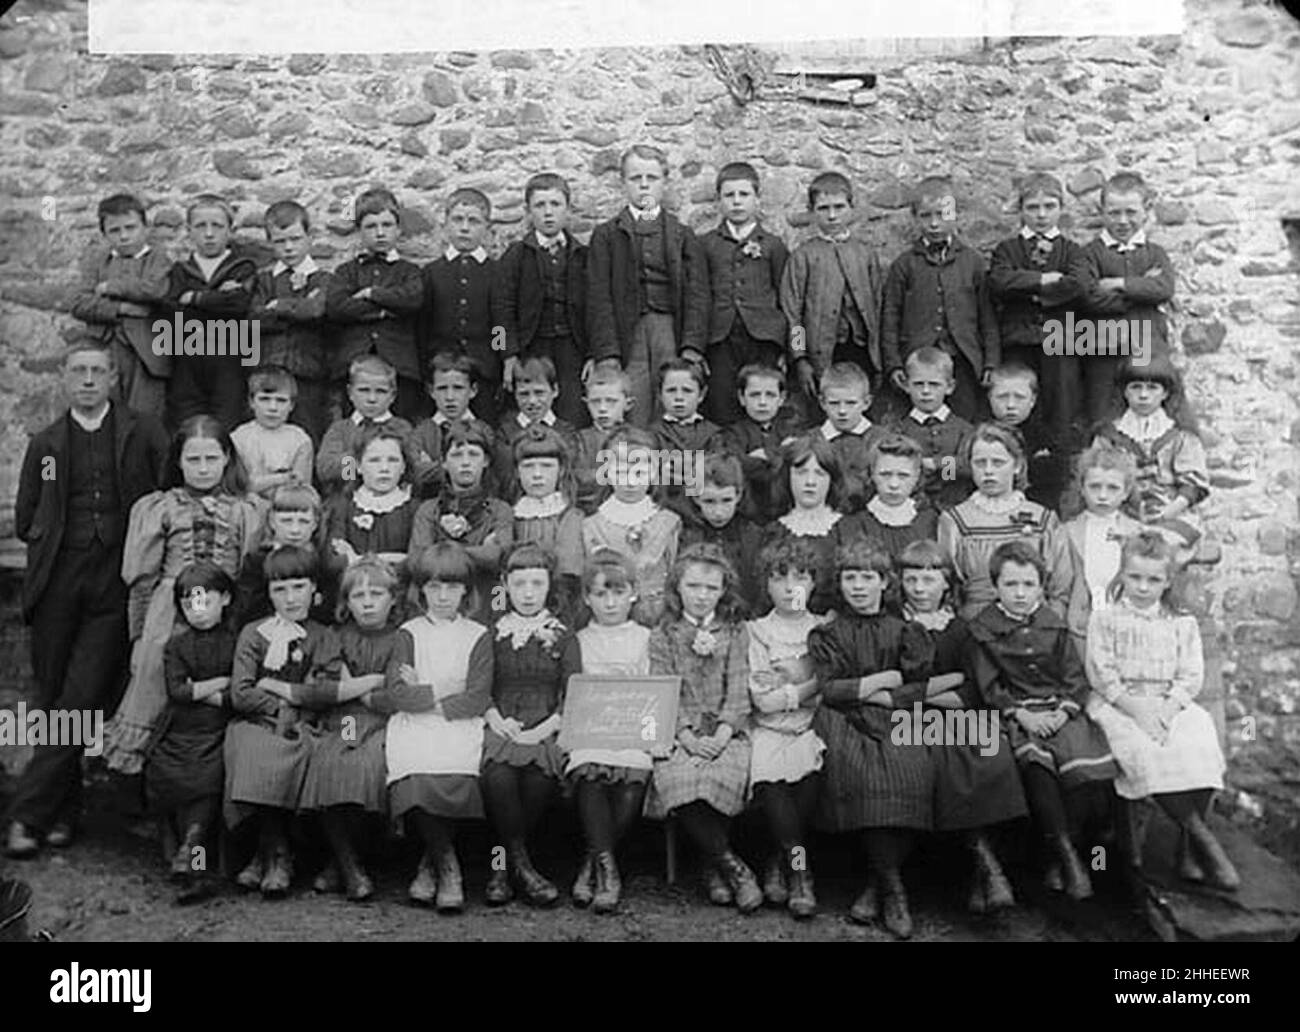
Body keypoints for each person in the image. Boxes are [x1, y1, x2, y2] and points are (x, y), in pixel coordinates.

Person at [5, 343, 168, 858]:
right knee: (54, 695)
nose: (89, 380)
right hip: (58, 580)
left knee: (79, 697)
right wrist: (51, 543)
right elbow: (29, 510)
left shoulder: (143, 432)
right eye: (79, 371)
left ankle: (27, 816)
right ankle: (63, 812)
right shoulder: (47, 443)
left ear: (115, 380)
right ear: (63, 379)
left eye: (99, 372)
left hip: (113, 581)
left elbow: (164, 488)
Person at [102, 415, 262, 777]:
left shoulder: (245, 510)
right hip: (167, 612)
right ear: (178, 461)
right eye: (193, 459)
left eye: (211, 458)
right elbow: (142, 579)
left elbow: (248, 574)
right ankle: (151, 794)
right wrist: (140, 639)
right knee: (155, 680)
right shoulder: (158, 507)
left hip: (225, 613)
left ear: (226, 459)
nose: (203, 468)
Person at [1085, 532, 1237, 890]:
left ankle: (1185, 850)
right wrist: (1138, 711)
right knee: (1147, 751)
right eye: (1135, 577)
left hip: (1168, 703)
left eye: (1154, 580)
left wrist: (1167, 710)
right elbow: (1101, 674)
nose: (1143, 587)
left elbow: (1190, 675)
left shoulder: (1181, 622)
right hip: (1119, 704)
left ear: (1168, 581)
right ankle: (1204, 841)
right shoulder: (1104, 618)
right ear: (1122, 574)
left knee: (1199, 741)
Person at [969, 540, 1118, 901]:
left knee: (1085, 769)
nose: (1020, 594)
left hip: (1057, 711)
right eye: (1010, 585)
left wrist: (1062, 711)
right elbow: (987, 684)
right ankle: (1065, 854)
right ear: (996, 586)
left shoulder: (1054, 625)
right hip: (1017, 715)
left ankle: (1067, 854)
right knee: (1037, 764)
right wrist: (1021, 715)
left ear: (1041, 586)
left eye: (1028, 585)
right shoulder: (981, 629)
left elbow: (1074, 679)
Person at [807, 540, 935, 938]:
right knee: (859, 772)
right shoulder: (828, 632)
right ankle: (893, 888)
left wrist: (889, 695)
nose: (858, 587)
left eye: (868, 577)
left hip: (897, 716)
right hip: (844, 718)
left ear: (884, 582)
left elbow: (918, 684)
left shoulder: (905, 631)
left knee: (910, 769)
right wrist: (879, 681)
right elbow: (830, 689)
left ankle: (877, 885)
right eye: (850, 578)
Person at [897, 539, 1026, 913]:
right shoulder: (894, 625)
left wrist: (924, 693)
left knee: (991, 751)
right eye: (911, 580)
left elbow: (973, 689)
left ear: (946, 584)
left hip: (959, 712)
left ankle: (982, 871)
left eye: (929, 580)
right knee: (944, 757)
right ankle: (984, 864)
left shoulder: (961, 629)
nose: (921, 589)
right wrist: (929, 691)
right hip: (906, 719)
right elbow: (894, 688)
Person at [376, 542, 493, 912]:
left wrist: (425, 690)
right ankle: (448, 863)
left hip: (460, 723)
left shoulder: (477, 634)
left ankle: (431, 864)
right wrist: (444, 690)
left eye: (452, 588)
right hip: (414, 724)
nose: (443, 597)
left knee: (454, 768)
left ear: (465, 591)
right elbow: (396, 694)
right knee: (415, 768)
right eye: (434, 587)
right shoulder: (408, 633)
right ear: (420, 589)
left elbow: (476, 698)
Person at [648, 543, 761, 912]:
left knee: (719, 777)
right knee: (682, 782)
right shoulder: (664, 633)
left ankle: (711, 867)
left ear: (723, 590)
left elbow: (740, 689)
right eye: (693, 586)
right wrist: (685, 736)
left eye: (711, 589)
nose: (701, 596)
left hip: (727, 733)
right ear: (677, 587)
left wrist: (724, 733)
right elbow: (663, 689)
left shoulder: (735, 631)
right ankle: (732, 867)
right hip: (679, 733)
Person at [225, 545, 341, 898]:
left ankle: (270, 856)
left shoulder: (324, 635)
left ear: (314, 589)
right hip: (257, 722)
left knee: (298, 750)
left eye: (299, 587)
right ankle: (276, 853)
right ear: (269, 593)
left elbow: (323, 691)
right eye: (280, 590)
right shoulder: (254, 633)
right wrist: (285, 703)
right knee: (251, 746)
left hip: (306, 725)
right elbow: (241, 694)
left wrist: (281, 691)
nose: (290, 599)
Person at [299, 557, 405, 902]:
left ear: (393, 599)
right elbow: (321, 691)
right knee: (338, 756)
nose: (369, 602)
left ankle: (341, 861)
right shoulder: (335, 635)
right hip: (345, 720)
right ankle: (349, 866)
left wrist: (355, 684)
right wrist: (368, 683)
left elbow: (395, 696)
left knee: (370, 762)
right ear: (346, 603)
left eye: (377, 594)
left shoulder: (401, 638)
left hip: (387, 723)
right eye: (359, 596)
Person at [481, 544, 580, 907]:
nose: (527, 593)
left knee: (539, 778)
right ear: (504, 585)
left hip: (545, 726)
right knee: (499, 776)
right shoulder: (492, 631)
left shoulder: (563, 634)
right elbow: (479, 685)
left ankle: (502, 866)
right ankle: (518, 866)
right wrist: (493, 717)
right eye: (519, 583)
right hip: (501, 723)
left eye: (536, 584)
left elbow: (573, 689)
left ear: (548, 586)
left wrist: (549, 726)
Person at [586, 144, 709, 425]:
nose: (644, 186)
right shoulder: (606, 235)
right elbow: (598, 297)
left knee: (671, 397)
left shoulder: (681, 234)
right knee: (634, 401)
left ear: (664, 183)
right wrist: (606, 351)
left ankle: (669, 461)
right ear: (623, 183)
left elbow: (698, 295)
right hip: (627, 331)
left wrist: (692, 346)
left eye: (651, 179)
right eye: (635, 178)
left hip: (669, 327)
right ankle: (635, 462)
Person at [745, 540, 829, 919]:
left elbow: (832, 688)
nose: (790, 586)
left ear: (813, 584)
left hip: (814, 726)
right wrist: (811, 688)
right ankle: (800, 869)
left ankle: (784, 860)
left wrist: (791, 690)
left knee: (812, 773)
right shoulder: (757, 632)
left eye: (801, 577)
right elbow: (763, 701)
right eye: (779, 578)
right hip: (768, 728)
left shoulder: (824, 629)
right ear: (766, 585)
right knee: (771, 778)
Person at [566, 550, 654, 912]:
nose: (610, 602)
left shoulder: (647, 637)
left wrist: (649, 736)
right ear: (587, 597)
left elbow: (655, 693)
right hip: (591, 728)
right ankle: (608, 869)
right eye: (600, 594)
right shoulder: (579, 639)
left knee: (634, 776)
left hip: (633, 728)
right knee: (589, 770)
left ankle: (593, 862)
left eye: (618, 593)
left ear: (633, 593)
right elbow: (572, 691)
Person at [148, 561, 237, 903]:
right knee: (164, 775)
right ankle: (183, 853)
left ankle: (193, 857)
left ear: (225, 598)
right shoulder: (177, 645)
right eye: (188, 604)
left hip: (215, 731)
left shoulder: (235, 641)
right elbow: (177, 692)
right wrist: (217, 685)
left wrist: (201, 690)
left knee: (206, 787)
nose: (196, 611)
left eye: (204, 601)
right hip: (179, 729)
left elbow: (238, 694)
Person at [883, 176, 999, 422]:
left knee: (963, 423)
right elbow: (890, 317)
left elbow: (987, 317)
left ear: (956, 216)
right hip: (919, 363)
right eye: (926, 216)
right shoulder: (904, 265)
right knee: (918, 424)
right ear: (915, 218)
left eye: (942, 215)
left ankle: (952, 464)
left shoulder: (972, 262)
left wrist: (990, 362)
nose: (934, 223)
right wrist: (894, 364)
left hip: (963, 362)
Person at [937, 423, 1075, 621]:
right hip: (976, 625)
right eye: (980, 463)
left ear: (1017, 465)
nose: (988, 471)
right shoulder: (955, 520)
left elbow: (1060, 588)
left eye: (998, 462)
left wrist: (1048, 625)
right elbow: (948, 584)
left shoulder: (1043, 519)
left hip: (1033, 626)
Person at [779, 171, 886, 423]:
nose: (832, 215)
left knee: (861, 418)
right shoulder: (803, 256)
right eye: (823, 208)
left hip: (861, 351)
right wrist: (801, 358)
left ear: (852, 208)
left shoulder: (865, 254)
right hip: (822, 354)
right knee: (825, 419)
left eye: (839, 207)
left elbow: (879, 307)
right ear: (812, 211)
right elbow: (792, 314)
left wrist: (880, 359)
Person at [988, 173, 1086, 444]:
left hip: (1059, 338)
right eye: (1032, 207)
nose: (1041, 215)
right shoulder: (1007, 250)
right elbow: (999, 281)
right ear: (1021, 210)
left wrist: (1031, 293)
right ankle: (1014, 467)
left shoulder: (1072, 251)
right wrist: (1043, 280)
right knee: (1015, 405)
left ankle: (1055, 471)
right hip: (1017, 338)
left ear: (1061, 209)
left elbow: (1078, 284)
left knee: (1059, 407)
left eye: (1049, 207)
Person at [1077, 171, 1176, 424]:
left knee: (1148, 419)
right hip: (1104, 353)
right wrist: (1142, 289)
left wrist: (1117, 284)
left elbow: (1163, 289)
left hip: (1148, 349)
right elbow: (1089, 298)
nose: (1122, 221)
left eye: (1131, 212)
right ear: (1102, 212)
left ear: (1146, 210)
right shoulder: (1089, 254)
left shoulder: (1155, 254)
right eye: (1114, 213)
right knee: (1104, 420)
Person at [492, 172, 589, 426]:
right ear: (528, 211)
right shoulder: (515, 256)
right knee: (532, 411)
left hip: (572, 349)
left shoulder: (581, 255)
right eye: (540, 205)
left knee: (572, 412)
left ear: (568, 209)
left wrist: (595, 354)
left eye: (555, 204)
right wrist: (506, 355)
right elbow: (499, 314)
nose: (548, 212)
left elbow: (595, 308)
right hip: (531, 347)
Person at [1090, 355, 1209, 563]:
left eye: (1152, 388)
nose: (1143, 395)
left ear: (1165, 393)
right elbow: (1096, 475)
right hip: (1123, 513)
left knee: (1162, 547)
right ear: (1125, 391)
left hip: (1171, 515)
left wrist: (1169, 511)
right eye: (1136, 387)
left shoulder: (1180, 436)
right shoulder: (1109, 436)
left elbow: (1193, 486)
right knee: (1110, 540)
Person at [697, 161, 789, 424]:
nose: (737, 202)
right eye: (729, 195)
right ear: (719, 201)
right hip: (720, 341)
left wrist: (794, 350)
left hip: (765, 342)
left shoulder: (773, 246)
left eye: (744, 194)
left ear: (757, 199)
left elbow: (792, 305)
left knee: (763, 406)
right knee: (721, 404)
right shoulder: (706, 244)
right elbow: (697, 299)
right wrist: (694, 348)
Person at [324, 187, 426, 422]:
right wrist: (387, 309)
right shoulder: (346, 272)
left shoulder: (410, 271)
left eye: (387, 225)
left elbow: (412, 300)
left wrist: (371, 293)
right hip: (354, 365)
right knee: (355, 432)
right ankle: (351, 461)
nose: (380, 233)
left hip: (400, 367)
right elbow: (337, 308)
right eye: (371, 226)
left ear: (398, 229)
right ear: (359, 231)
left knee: (399, 430)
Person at [70, 193, 172, 422]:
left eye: (130, 228)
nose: (124, 236)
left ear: (144, 227)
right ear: (104, 234)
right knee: (104, 416)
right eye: (115, 231)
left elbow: (155, 289)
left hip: (147, 354)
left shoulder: (158, 258)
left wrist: (110, 287)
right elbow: (79, 302)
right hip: (105, 348)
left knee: (144, 418)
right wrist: (122, 309)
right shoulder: (98, 262)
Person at [165, 193, 258, 429]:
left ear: (230, 229)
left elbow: (239, 306)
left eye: (217, 226)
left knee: (227, 428)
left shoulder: (242, 267)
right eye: (200, 226)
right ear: (189, 230)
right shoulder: (181, 270)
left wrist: (195, 298)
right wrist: (219, 299)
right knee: (187, 429)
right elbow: (171, 312)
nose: (209, 233)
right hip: (187, 360)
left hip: (230, 360)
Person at [408, 423, 512, 625]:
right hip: (437, 606)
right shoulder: (428, 510)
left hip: (487, 602)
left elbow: (499, 557)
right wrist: (478, 551)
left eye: (473, 455)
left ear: (486, 461)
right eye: (457, 455)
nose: (465, 463)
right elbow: (416, 562)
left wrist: (439, 550)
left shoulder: (500, 510)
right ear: (444, 463)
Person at [250, 199, 333, 445]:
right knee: (264, 440)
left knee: (307, 438)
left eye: (295, 239)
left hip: (307, 375)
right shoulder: (263, 280)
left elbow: (316, 310)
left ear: (309, 237)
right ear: (270, 242)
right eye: (280, 241)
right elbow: (254, 319)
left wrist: (278, 306)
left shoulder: (323, 279)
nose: (288, 247)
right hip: (267, 374)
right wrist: (297, 309)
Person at [582, 426, 681, 627]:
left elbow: (674, 575)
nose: (630, 482)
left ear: (653, 472)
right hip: (610, 619)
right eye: (620, 472)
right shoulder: (592, 525)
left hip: (660, 619)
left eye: (639, 472)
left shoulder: (670, 522)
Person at [422, 188, 502, 423]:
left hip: (484, 372)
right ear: (445, 224)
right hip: (442, 372)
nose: (465, 227)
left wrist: (499, 357)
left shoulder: (496, 272)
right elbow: (423, 326)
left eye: (474, 221)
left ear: (487, 227)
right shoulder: (432, 272)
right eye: (458, 220)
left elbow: (501, 325)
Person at [761, 433, 853, 615]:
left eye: (819, 474)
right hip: (791, 624)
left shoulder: (849, 529)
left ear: (832, 479)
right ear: (787, 476)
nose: (810, 482)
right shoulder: (774, 532)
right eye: (801, 473)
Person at [510, 426, 584, 623]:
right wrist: (499, 612)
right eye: (528, 466)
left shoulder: (571, 517)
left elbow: (569, 576)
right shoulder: (509, 516)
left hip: (558, 612)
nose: (537, 474)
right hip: (512, 612)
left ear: (561, 470)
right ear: (517, 471)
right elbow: (500, 579)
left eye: (546, 466)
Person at [315, 355, 414, 496]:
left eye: (380, 391)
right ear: (350, 392)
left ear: (392, 396)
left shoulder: (402, 429)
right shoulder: (341, 429)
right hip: (348, 501)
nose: (372, 399)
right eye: (364, 390)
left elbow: (412, 468)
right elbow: (325, 470)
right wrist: (360, 458)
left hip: (393, 499)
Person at [717, 363, 802, 525]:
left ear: (781, 398)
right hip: (748, 515)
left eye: (770, 395)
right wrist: (783, 453)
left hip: (788, 512)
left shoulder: (791, 431)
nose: (762, 402)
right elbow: (737, 465)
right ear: (742, 398)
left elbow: (801, 458)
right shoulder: (732, 434)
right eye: (755, 395)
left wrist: (768, 454)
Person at [891, 346, 973, 511]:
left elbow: (969, 466)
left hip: (956, 507)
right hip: (913, 509)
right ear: (907, 386)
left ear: (949, 387)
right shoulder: (899, 430)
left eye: (934, 384)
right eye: (919, 384)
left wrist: (937, 464)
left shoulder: (964, 429)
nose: (926, 391)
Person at [230, 365, 314, 501]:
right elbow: (239, 486)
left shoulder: (300, 439)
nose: (272, 408)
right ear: (251, 401)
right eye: (264, 399)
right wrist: (282, 478)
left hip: (285, 508)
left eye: (281, 400)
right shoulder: (239, 437)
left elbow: (301, 488)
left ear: (291, 405)